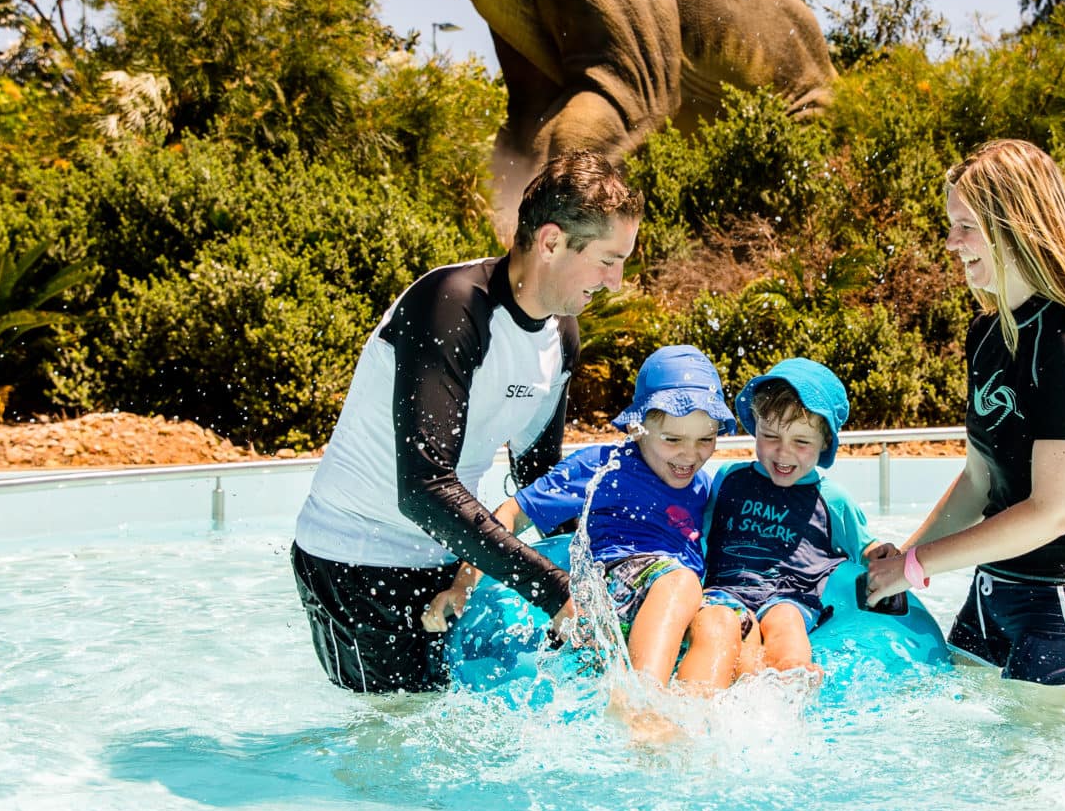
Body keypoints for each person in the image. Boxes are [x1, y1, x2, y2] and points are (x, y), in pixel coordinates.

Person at [290, 152, 640, 694]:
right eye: (607, 260)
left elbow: (540, 478)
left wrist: (608, 564)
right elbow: (424, 490)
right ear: (551, 242)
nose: (616, 281)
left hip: (450, 562)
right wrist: (555, 590)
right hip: (354, 563)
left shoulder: (559, 335)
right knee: (392, 746)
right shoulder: (452, 306)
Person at [863, 139, 1065, 692]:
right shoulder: (987, 334)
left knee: (1032, 778)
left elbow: (1053, 512)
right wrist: (907, 556)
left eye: (965, 226)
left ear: (1014, 226)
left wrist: (918, 567)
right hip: (996, 593)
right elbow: (978, 479)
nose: (951, 243)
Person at [425, 346, 743, 691]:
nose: (690, 454)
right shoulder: (603, 467)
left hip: (673, 599)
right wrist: (462, 584)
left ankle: (688, 727)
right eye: (673, 439)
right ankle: (639, 705)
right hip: (615, 589)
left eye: (706, 440)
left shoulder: (702, 486)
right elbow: (511, 515)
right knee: (680, 583)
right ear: (637, 428)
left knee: (723, 620)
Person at [697, 358, 885, 683]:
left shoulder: (832, 498)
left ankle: (792, 673)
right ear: (754, 426)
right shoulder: (729, 479)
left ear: (825, 442)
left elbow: (865, 547)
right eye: (770, 436)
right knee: (722, 623)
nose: (783, 453)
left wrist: (883, 555)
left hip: (790, 594)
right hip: (727, 590)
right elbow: (700, 537)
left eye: (801, 442)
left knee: (784, 619)